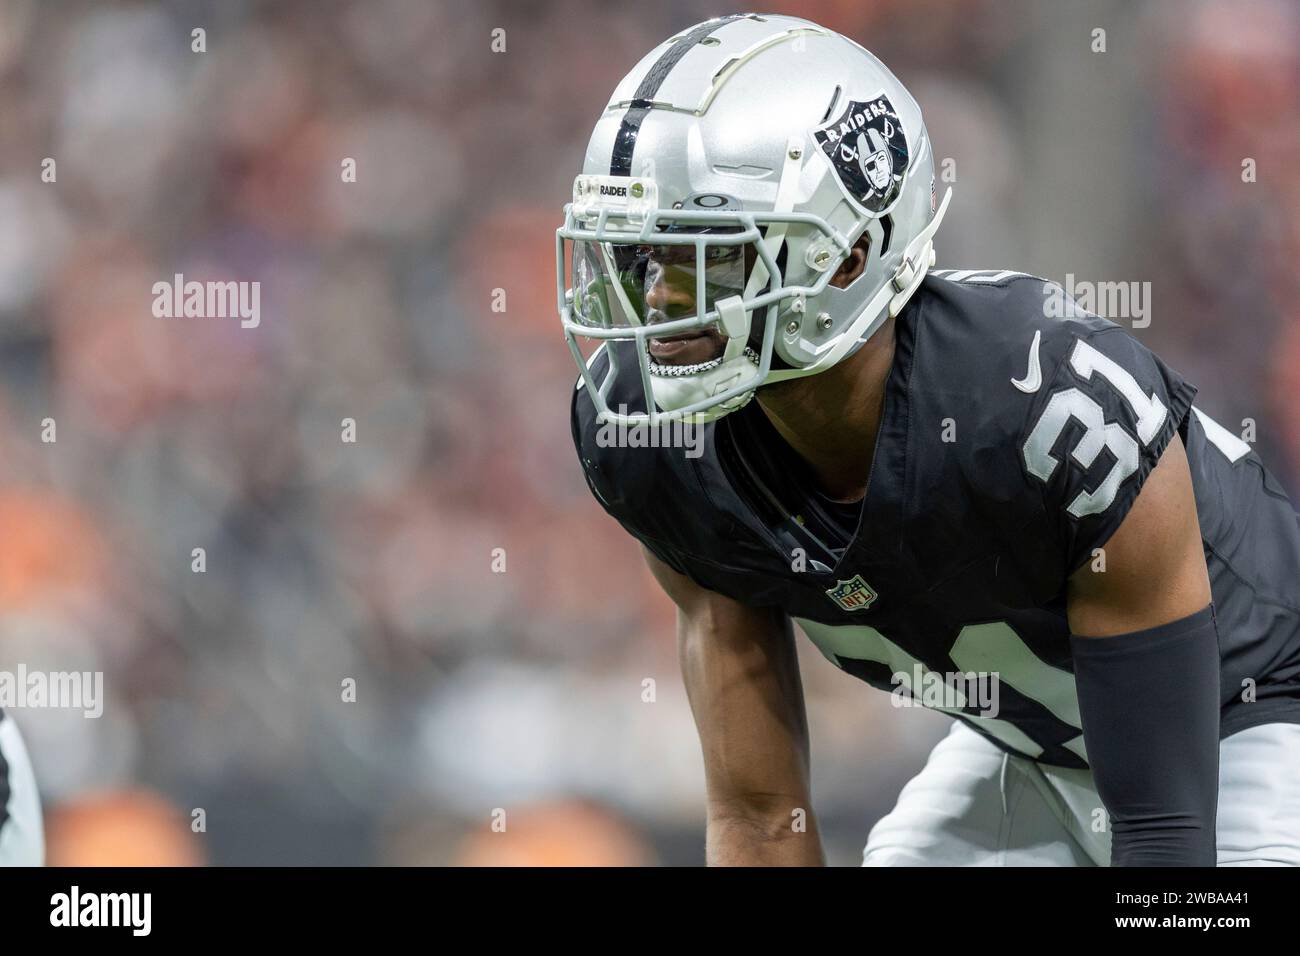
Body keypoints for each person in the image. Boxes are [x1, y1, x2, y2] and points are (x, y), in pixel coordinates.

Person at [560, 13, 1300, 865]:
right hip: (1035, 742)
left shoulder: (1037, 402)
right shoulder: (652, 438)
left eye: (708, 254)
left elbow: (1165, 835)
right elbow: (760, 821)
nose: (658, 300)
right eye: (646, 255)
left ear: (848, 255)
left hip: (1246, 716)